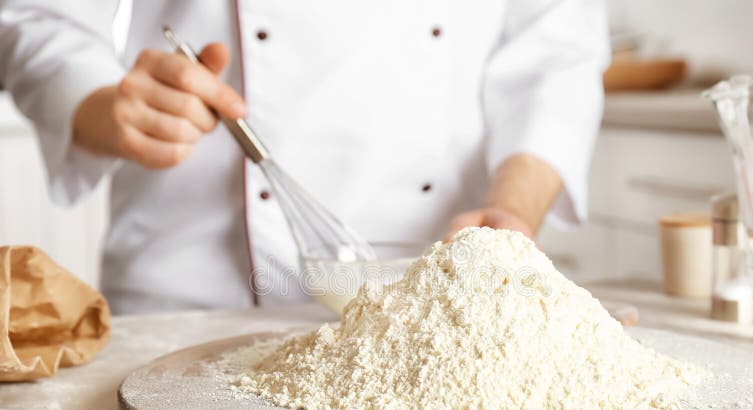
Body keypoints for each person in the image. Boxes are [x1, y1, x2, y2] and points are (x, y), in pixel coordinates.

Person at [0, 0, 609, 314]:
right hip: (193, 279)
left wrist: (513, 210)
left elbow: (557, 50)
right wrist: (104, 107)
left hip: (445, 278)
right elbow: (33, 17)